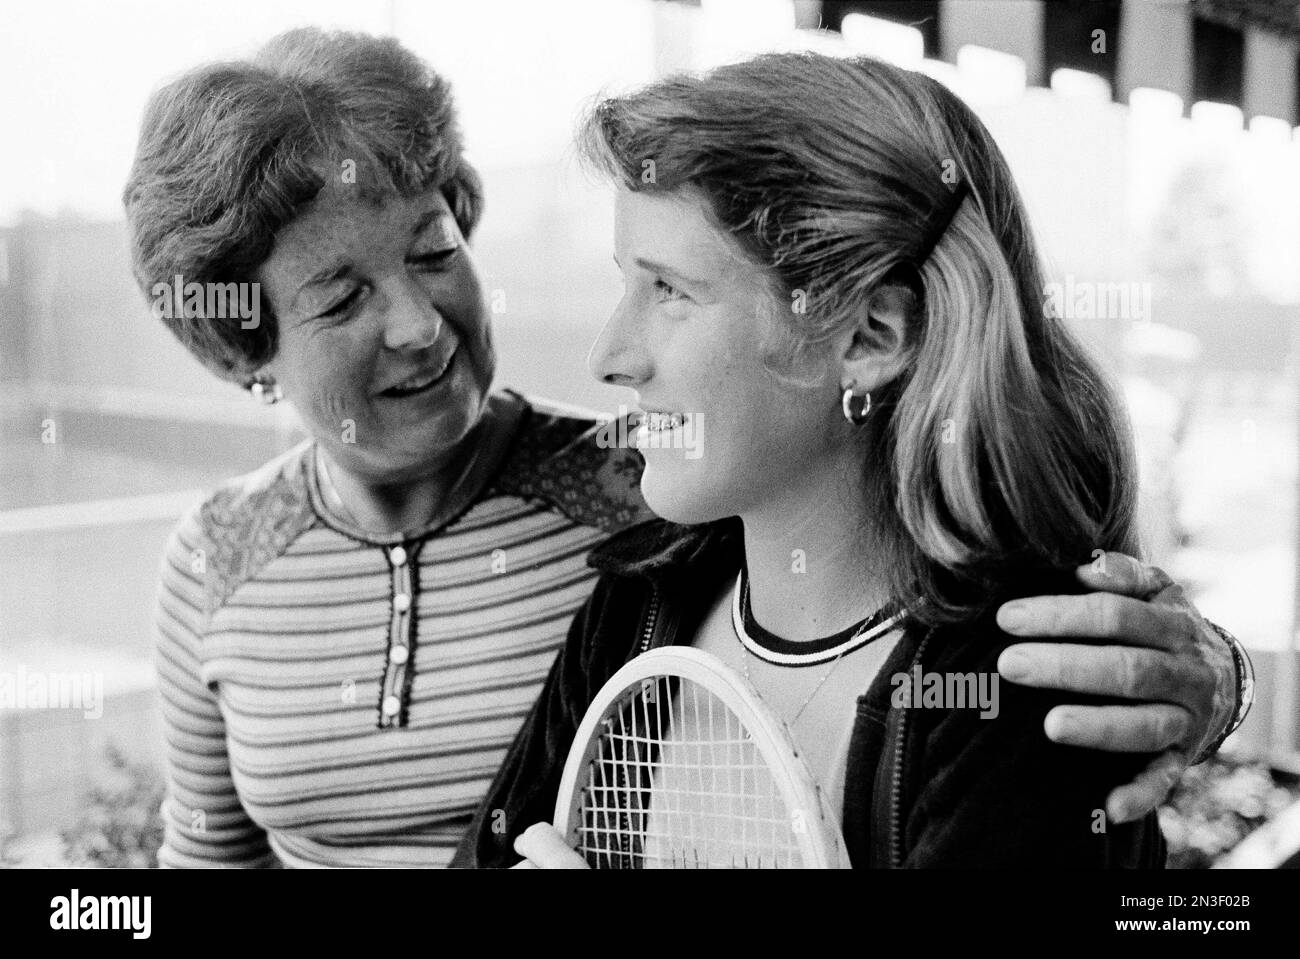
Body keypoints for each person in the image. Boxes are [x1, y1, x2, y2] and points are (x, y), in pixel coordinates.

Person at [125, 29, 1246, 868]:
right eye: (338, 296)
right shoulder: (225, 559)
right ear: (241, 344)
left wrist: (1219, 678)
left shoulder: (643, 497)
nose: (419, 323)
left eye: (434, 252)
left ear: (866, 334)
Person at [455, 50, 1250, 868]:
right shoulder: (638, 601)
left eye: (671, 292)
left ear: (871, 337)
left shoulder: (1030, 678)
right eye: (627, 282)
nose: (609, 356)